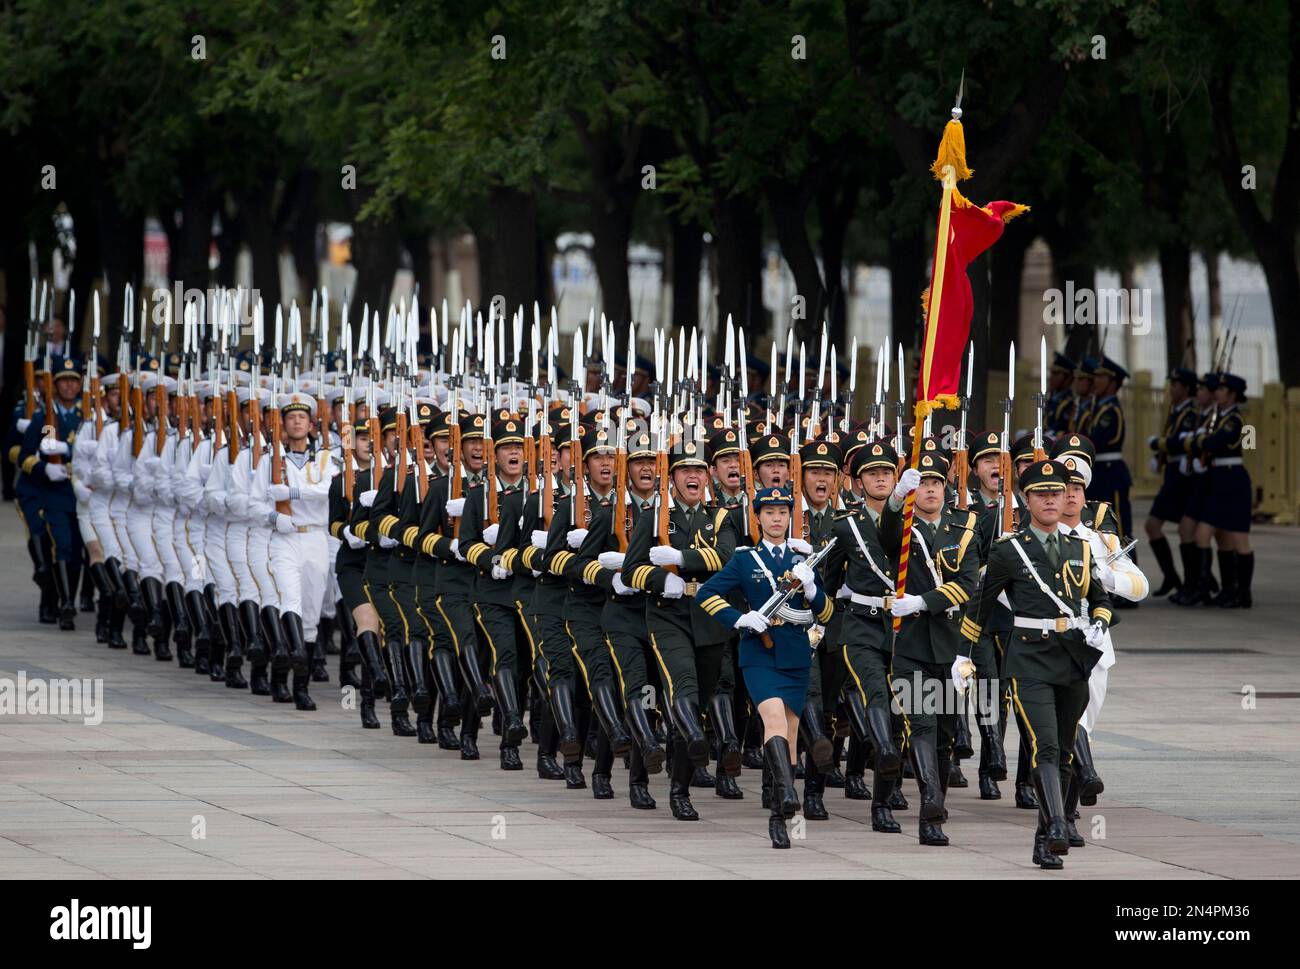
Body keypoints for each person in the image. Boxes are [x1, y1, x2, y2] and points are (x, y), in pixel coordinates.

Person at [961, 459, 1114, 870]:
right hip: (1028, 659)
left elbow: (1099, 597)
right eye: (1041, 494)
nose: (1050, 501)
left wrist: (1100, 620)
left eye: (1056, 493)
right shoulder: (1009, 550)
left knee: (1064, 750)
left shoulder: (1079, 547)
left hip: (1071, 659)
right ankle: (1059, 824)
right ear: (1026, 500)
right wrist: (964, 656)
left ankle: (1044, 839)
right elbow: (980, 605)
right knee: (1044, 746)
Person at [695, 486, 833, 848]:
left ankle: (779, 814)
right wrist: (740, 619)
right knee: (772, 719)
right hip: (759, 653)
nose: (776, 518)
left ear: (790, 517)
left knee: (789, 738)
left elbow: (827, 612)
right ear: (757, 517)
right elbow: (705, 594)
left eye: (782, 512)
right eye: (769, 512)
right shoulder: (745, 560)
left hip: (796, 654)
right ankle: (790, 798)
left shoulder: (802, 561)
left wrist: (813, 589)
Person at [623, 436, 737, 820]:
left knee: (697, 703)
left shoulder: (719, 517)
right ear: (672, 477)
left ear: (707, 477)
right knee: (681, 688)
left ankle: (679, 785)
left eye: (699, 470)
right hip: (667, 616)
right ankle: (683, 760)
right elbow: (631, 569)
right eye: (685, 470)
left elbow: (724, 557)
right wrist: (661, 580)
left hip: (709, 616)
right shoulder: (655, 516)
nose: (693, 476)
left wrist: (682, 558)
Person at [882, 452, 981, 846]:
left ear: (945, 488)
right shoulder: (903, 528)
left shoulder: (962, 531)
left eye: (935, 483)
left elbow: (968, 583)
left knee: (943, 733)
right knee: (919, 723)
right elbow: (886, 535)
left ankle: (936, 803)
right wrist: (894, 500)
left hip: (949, 645)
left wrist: (923, 601)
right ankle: (930, 807)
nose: (929, 490)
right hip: (909, 646)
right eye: (922, 484)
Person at [1186, 373, 1253, 607]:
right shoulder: (1216, 418)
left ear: (1233, 394)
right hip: (1217, 479)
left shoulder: (1236, 420)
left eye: (1223, 390)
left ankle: (1242, 593)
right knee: (1206, 534)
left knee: (1239, 539)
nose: (1217, 392)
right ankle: (1219, 588)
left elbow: (1214, 443)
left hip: (1233, 480)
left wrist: (1201, 441)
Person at [1145, 368, 1200, 596]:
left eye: (1176, 385)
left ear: (1186, 388)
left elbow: (1180, 442)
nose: (1172, 388)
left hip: (1184, 477)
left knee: (1187, 530)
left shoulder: (1190, 413)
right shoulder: (1175, 411)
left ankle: (1195, 581)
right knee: (1152, 525)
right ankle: (1172, 576)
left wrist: (1160, 444)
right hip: (1172, 475)